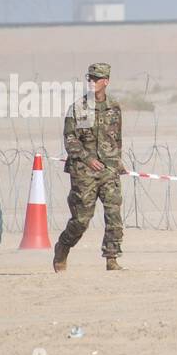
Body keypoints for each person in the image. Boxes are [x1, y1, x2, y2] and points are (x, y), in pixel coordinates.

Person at [54, 62, 127, 272]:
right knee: (81, 219)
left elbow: (116, 138)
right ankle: (63, 246)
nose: (92, 83)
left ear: (106, 82)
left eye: (96, 79)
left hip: (109, 169)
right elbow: (70, 139)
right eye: (90, 79)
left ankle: (111, 258)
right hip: (84, 172)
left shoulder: (114, 107)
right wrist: (87, 159)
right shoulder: (78, 108)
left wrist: (117, 160)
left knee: (114, 214)